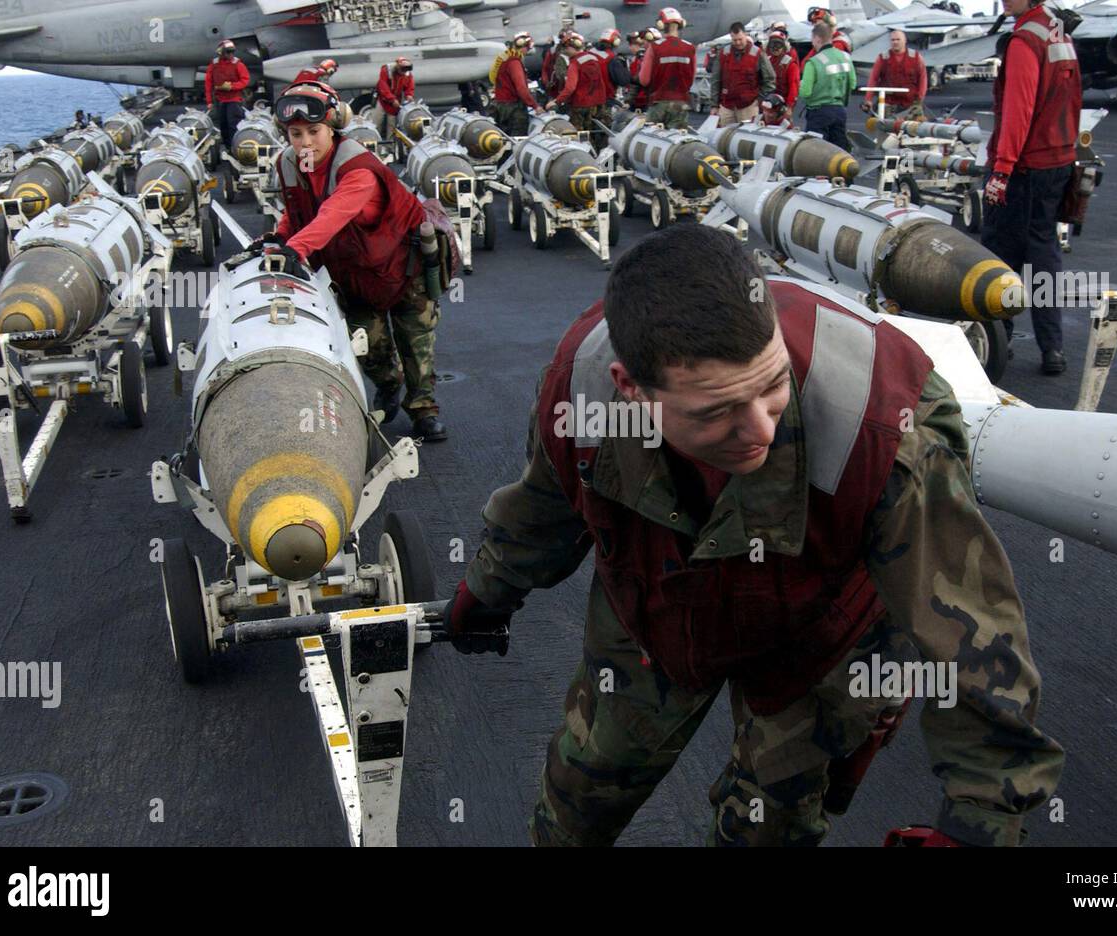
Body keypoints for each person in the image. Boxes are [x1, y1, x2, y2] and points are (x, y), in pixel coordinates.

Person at [442, 224, 1064, 847]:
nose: (759, 430)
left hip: (819, 634)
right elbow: (546, 508)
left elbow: (970, 624)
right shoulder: (582, 392)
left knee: (770, 824)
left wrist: (983, 816)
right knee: (584, 791)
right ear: (630, 388)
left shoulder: (884, 424)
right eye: (715, 412)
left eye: (771, 389)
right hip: (656, 601)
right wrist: (488, 590)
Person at [264, 81, 448, 441]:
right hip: (356, 273)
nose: (305, 143)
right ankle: (387, 385)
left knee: (417, 342)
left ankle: (423, 409)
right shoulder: (290, 164)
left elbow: (335, 212)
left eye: (314, 132)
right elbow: (299, 211)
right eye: (295, 133)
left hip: (402, 266)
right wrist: (278, 238)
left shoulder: (358, 167)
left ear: (331, 127)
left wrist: (296, 248)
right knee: (368, 343)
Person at [980, 0, 1082, 375]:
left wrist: (1002, 170)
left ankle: (998, 342)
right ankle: (1052, 347)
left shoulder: (1025, 40)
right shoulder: (1060, 33)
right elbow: (1072, 100)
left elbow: (1018, 109)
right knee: (1043, 256)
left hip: (1024, 166)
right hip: (1057, 162)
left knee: (999, 257)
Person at [797, 21, 856, 150]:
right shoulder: (845, 58)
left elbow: (805, 92)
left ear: (817, 39)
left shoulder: (813, 62)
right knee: (839, 152)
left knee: (816, 153)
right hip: (840, 112)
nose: (812, 43)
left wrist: (799, 86)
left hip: (819, 114)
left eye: (812, 39)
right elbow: (852, 84)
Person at [639, 8, 696, 130]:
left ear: (661, 25)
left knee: (652, 142)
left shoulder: (654, 47)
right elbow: (691, 79)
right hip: (681, 104)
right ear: (681, 24)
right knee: (676, 144)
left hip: (658, 103)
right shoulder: (690, 48)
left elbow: (644, 80)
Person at [710, 22, 776, 127]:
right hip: (727, 106)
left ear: (745, 35)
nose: (738, 42)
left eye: (740, 39)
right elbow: (716, 80)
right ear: (731, 37)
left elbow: (770, 79)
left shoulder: (757, 53)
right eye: (734, 40)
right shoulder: (723, 53)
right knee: (723, 137)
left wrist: (758, 99)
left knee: (747, 138)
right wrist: (714, 105)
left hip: (748, 106)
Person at [862, 29, 927, 118]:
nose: (895, 42)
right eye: (893, 40)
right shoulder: (883, 58)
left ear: (905, 41)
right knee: (881, 127)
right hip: (888, 103)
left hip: (910, 104)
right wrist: (868, 99)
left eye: (898, 39)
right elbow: (873, 79)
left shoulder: (916, 57)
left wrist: (919, 99)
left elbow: (923, 79)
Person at [553, 33, 608, 134]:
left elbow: (570, 88)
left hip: (580, 105)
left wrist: (557, 101)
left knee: (578, 134)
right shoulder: (594, 59)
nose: (564, 51)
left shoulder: (574, 64)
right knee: (596, 133)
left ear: (571, 47)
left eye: (565, 48)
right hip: (598, 103)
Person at [490, 32, 543, 135]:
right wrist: (535, 106)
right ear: (524, 47)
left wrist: (524, 79)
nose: (527, 52)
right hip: (512, 108)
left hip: (500, 105)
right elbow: (521, 88)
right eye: (528, 49)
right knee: (518, 138)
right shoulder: (515, 62)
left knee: (505, 138)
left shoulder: (505, 59)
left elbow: (504, 78)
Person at [204, 39, 251, 145]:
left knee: (234, 125)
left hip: (234, 100)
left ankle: (236, 147)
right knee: (223, 126)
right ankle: (228, 148)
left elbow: (245, 80)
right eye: (228, 52)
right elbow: (208, 83)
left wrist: (231, 87)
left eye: (232, 52)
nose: (231, 54)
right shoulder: (214, 65)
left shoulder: (238, 64)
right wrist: (209, 101)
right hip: (220, 100)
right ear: (221, 52)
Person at [374, 57, 415, 140]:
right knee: (377, 123)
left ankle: (390, 147)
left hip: (395, 103)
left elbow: (409, 86)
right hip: (383, 100)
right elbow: (383, 87)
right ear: (398, 66)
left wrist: (409, 95)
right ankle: (375, 144)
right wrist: (392, 99)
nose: (403, 73)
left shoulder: (407, 74)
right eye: (402, 70)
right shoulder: (386, 70)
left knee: (392, 126)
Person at [766, 31, 800, 111]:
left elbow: (794, 87)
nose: (775, 48)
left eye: (778, 44)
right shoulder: (767, 61)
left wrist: (789, 107)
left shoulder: (790, 64)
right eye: (772, 44)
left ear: (784, 46)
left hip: (783, 105)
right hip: (767, 103)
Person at [627, 32, 652, 111]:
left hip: (642, 101)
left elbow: (637, 81)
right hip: (636, 99)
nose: (630, 48)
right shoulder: (634, 60)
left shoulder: (642, 60)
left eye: (633, 45)